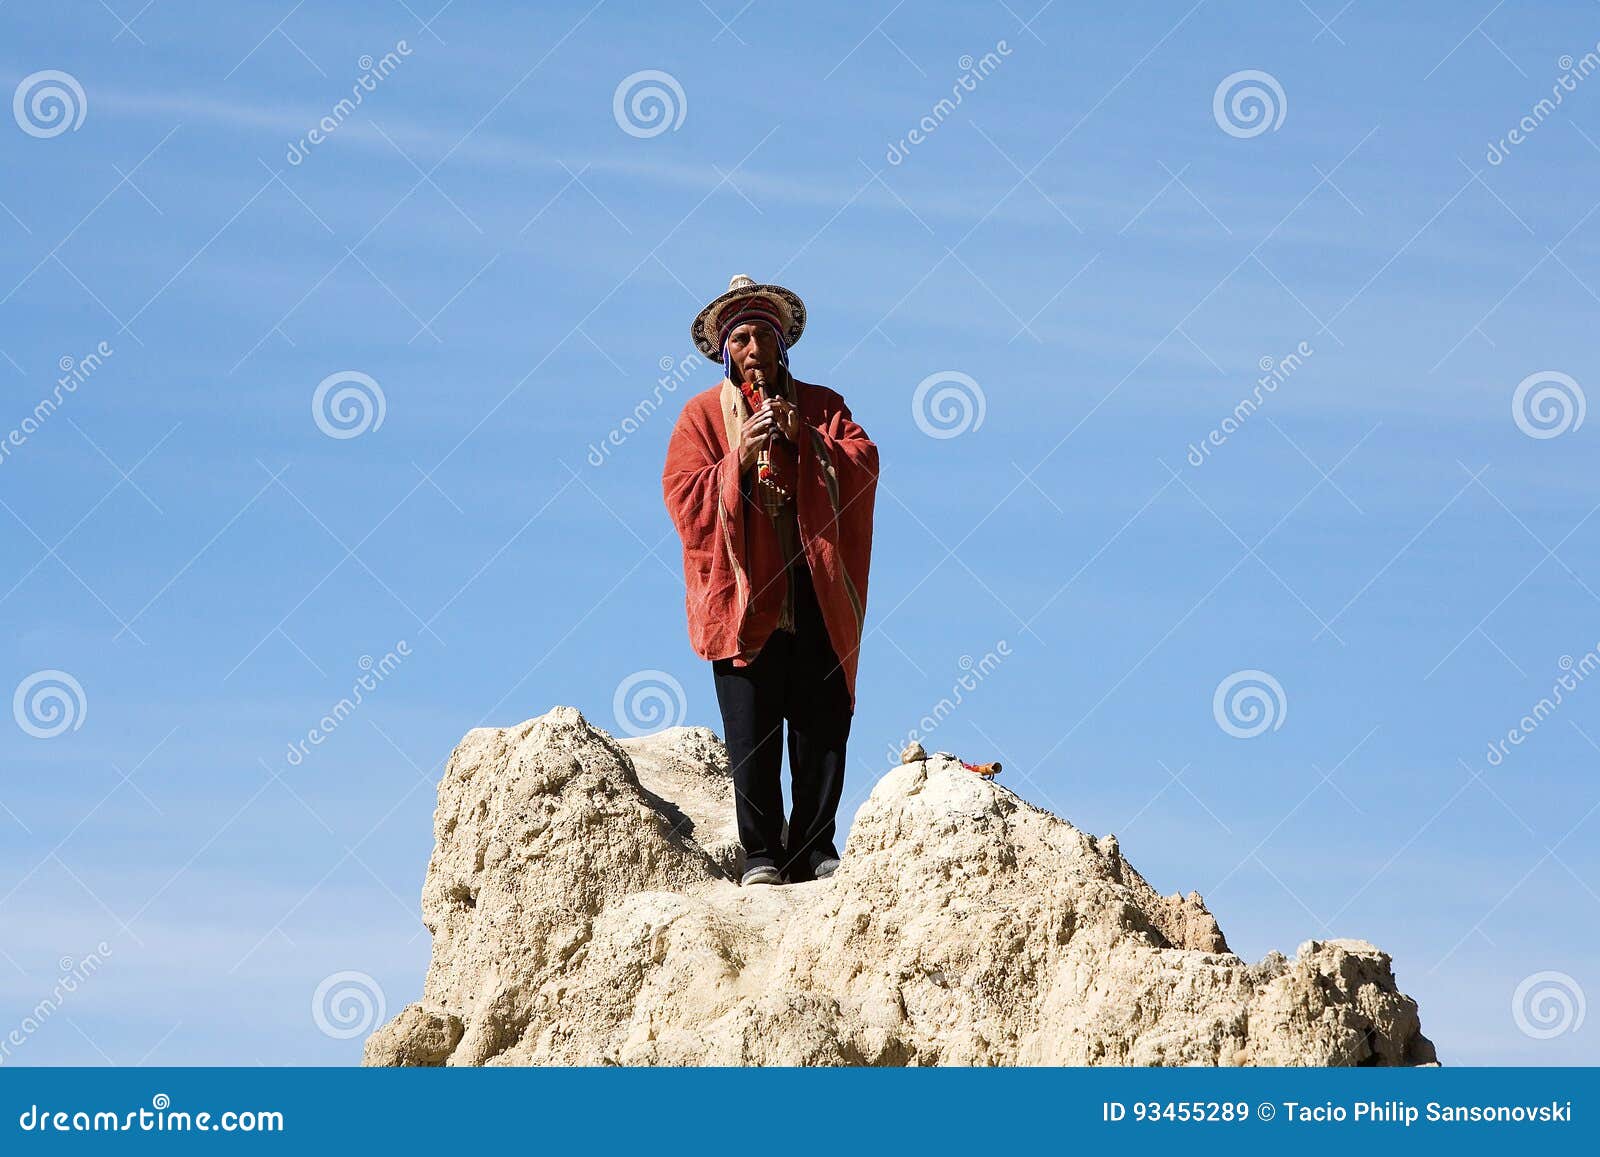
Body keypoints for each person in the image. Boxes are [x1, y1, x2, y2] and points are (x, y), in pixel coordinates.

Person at [662, 275, 879, 887]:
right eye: (741, 339)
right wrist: (737, 462)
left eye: (762, 335)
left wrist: (805, 441)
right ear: (726, 351)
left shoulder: (823, 405)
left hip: (814, 589)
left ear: (783, 346)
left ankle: (812, 846)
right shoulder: (702, 415)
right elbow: (683, 495)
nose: (752, 348)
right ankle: (760, 853)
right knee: (751, 729)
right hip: (744, 595)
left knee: (820, 723)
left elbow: (863, 463)